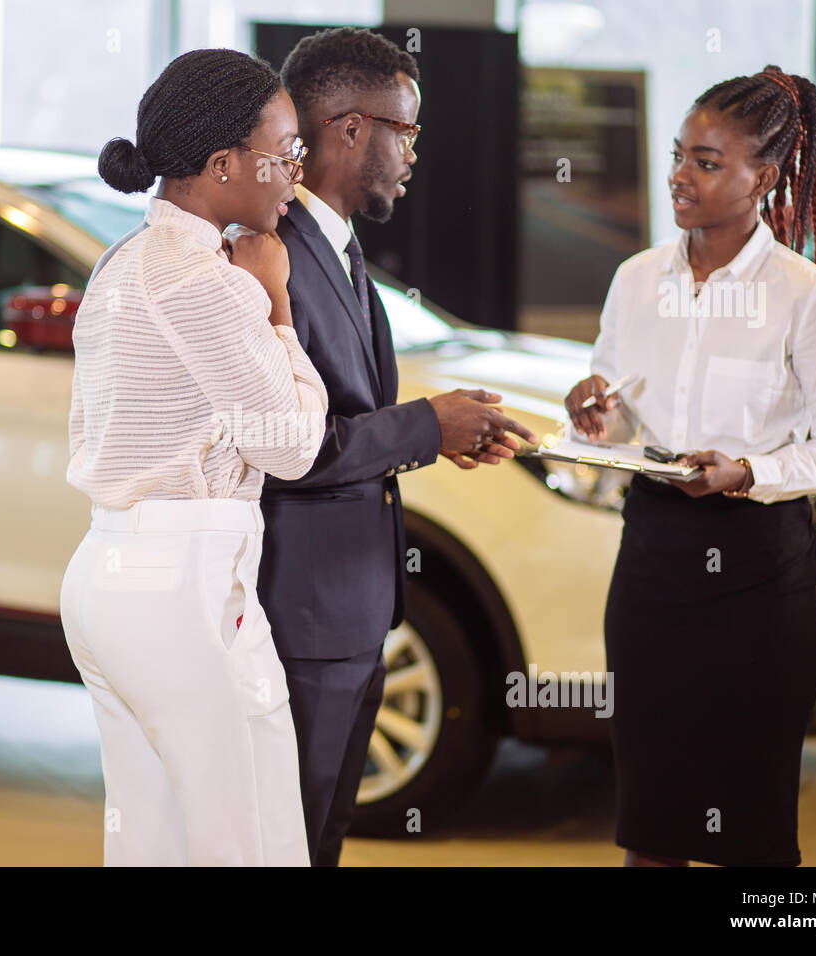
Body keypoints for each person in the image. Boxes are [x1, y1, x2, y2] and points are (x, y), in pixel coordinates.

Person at [564, 65, 816, 867]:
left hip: (761, 575)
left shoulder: (808, 294)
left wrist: (747, 472)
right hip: (653, 563)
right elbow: (616, 413)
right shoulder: (635, 281)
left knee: (752, 831)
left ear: (762, 178)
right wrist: (596, 413)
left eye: (706, 161)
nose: (679, 176)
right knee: (652, 822)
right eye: (679, 156)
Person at [258, 27, 537, 866]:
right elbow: (291, 447)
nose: (416, 153)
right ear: (348, 129)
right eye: (406, 131)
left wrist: (440, 435)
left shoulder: (337, 248)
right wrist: (426, 424)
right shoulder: (274, 257)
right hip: (299, 612)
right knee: (287, 841)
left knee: (323, 837)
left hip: (354, 609)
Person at [60, 48, 329, 866]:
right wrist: (278, 304)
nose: (296, 176)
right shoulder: (204, 281)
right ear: (223, 166)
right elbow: (290, 448)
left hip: (114, 572)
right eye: (286, 154)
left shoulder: (125, 260)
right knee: (243, 840)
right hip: (179, 586)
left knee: (154, 842)